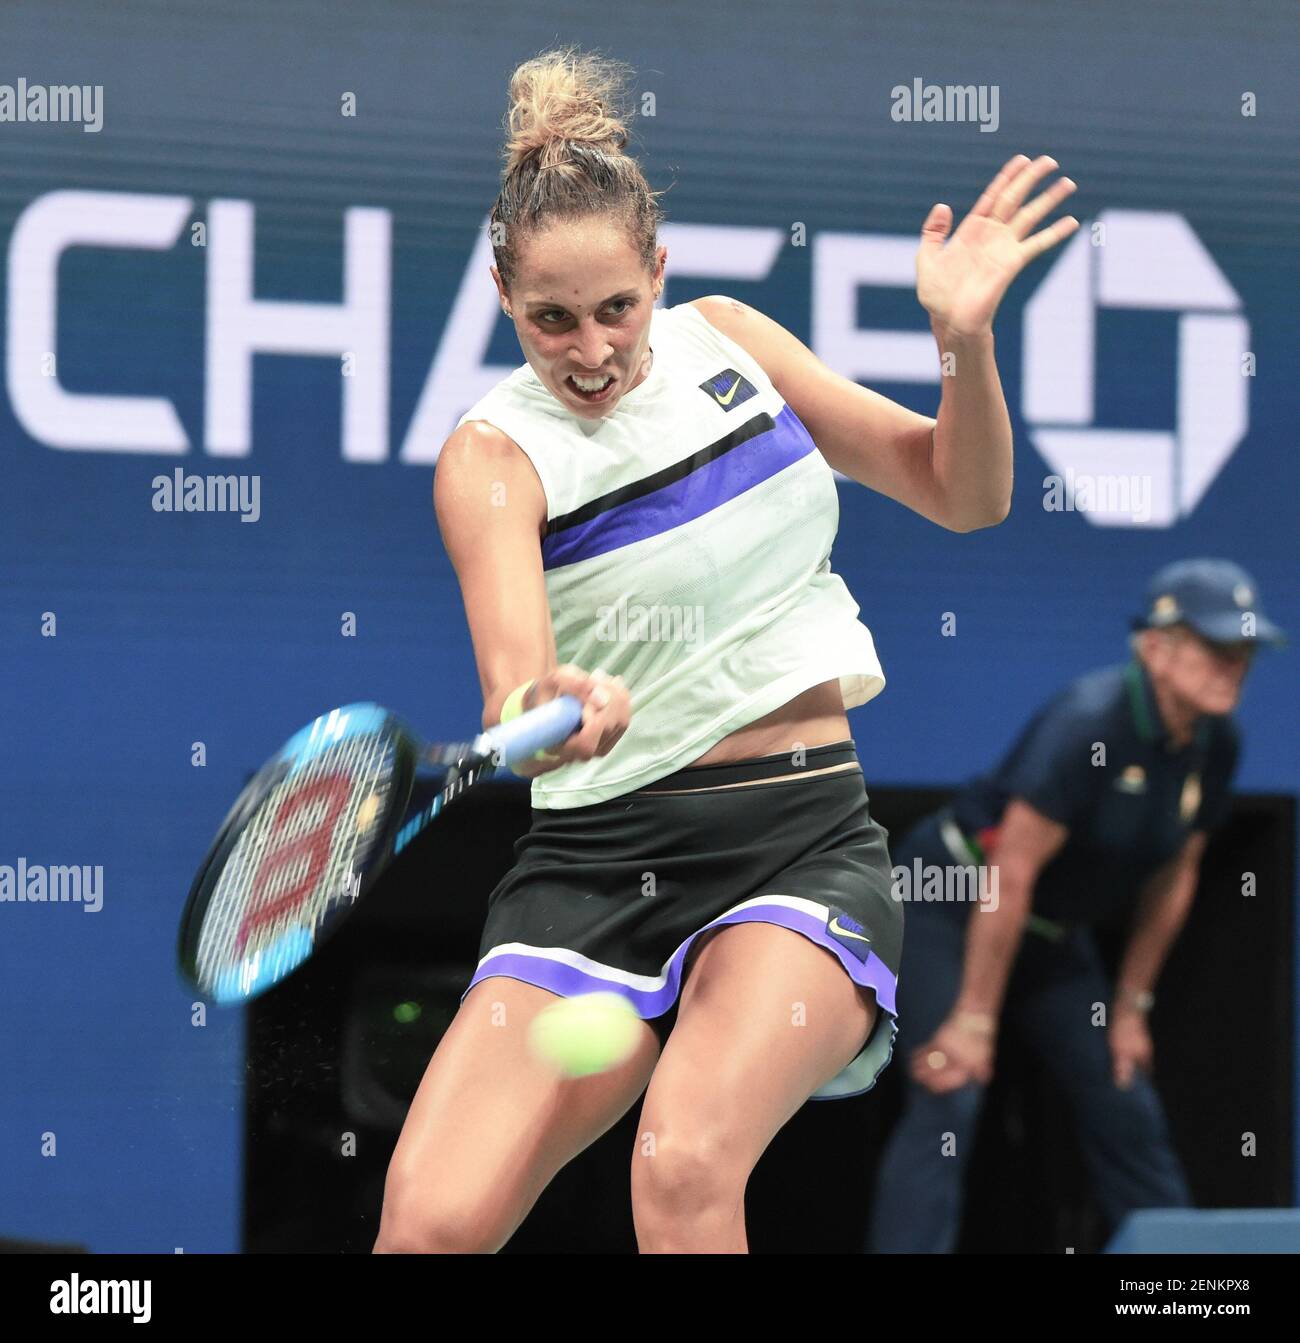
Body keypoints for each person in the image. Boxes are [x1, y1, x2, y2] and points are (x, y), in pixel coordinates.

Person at [373, 45, 1078, 1254]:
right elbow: (517, 681)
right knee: (429, 1223)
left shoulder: (732, 342)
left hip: (795, 845)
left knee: (685, 1163)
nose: (588, 349)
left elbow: (959, 492)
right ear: (501, 296)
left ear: (659, 268)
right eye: (550, 318)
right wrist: (559, 701)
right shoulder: (492, 456)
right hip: (589, 871)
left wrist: (962, 338)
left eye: (614, 306)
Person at [867, 558, 1285, 1254]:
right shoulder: (1089, 722)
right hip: (952, 901)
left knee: (1122, 1092)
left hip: (1050, 935)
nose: (1232, 665)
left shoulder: (1219, 742)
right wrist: (973, 1017)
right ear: (1155, 646)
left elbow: (1174, 876)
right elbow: (1014, 868)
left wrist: (1130, 1007)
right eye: (1215, 646)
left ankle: (1183, 1287)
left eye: (1242, 651)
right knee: (952, 1091)